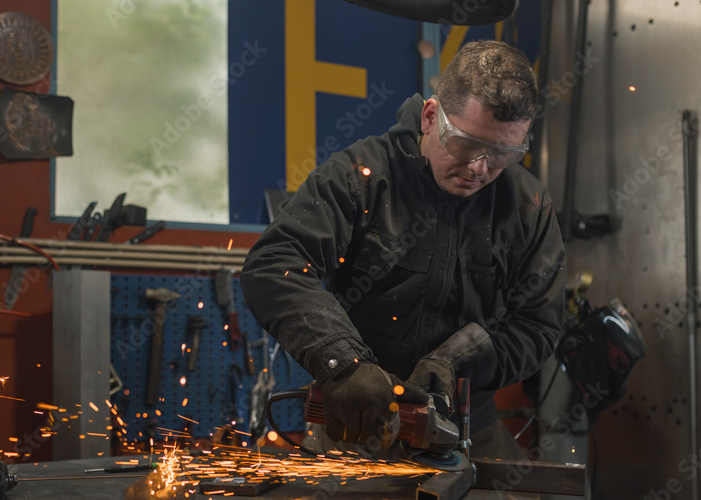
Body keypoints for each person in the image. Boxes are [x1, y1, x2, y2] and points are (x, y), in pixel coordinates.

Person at [240, 40, 565, 460]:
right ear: (431, 117)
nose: (479, 169)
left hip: (466, 426)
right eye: (466, 145)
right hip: (354, 420)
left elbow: (538, 324)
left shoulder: (527, 206)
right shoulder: (360, 177)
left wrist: (457, 359)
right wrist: (344, 364)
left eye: (503, 154)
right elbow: (273, 263)